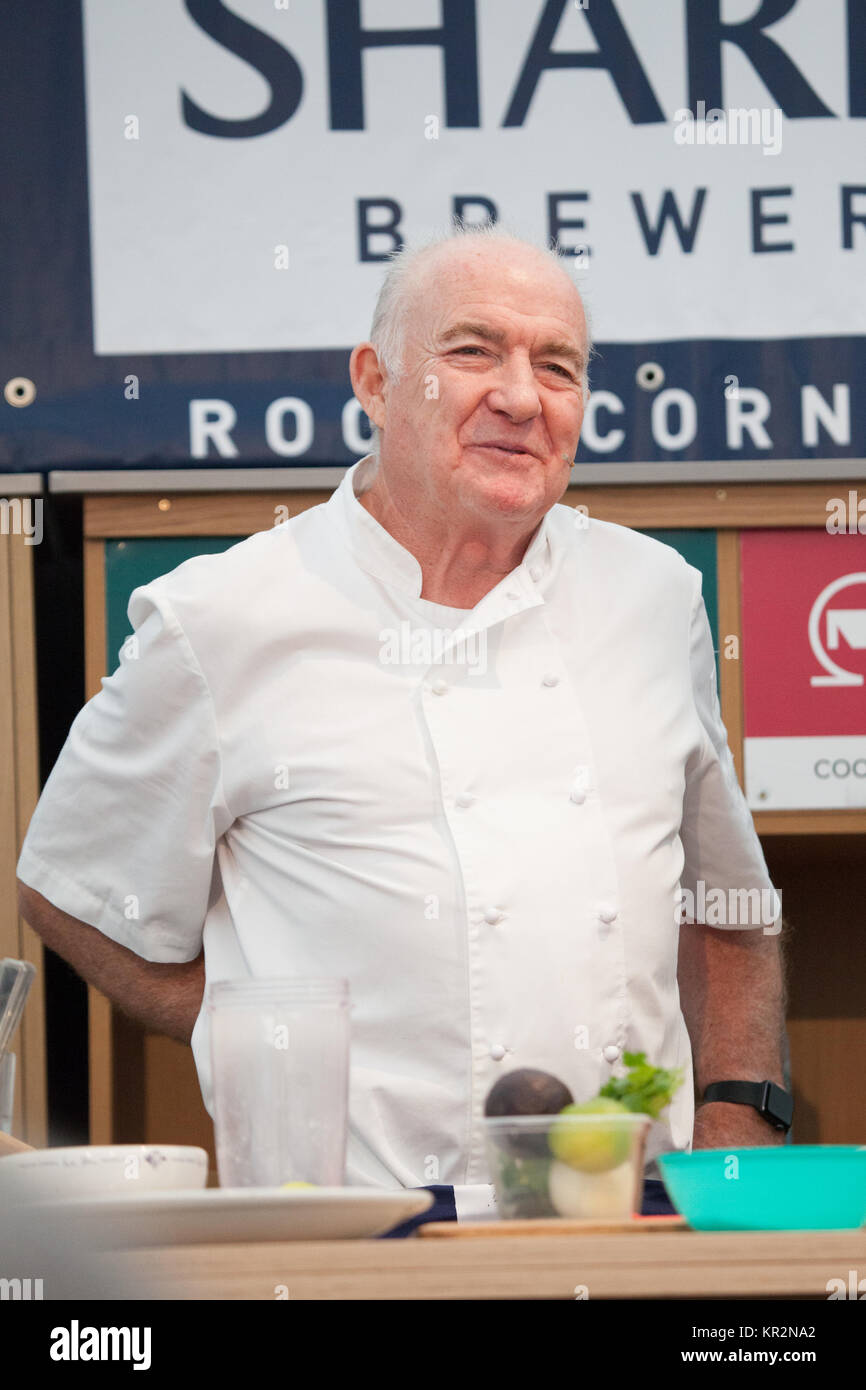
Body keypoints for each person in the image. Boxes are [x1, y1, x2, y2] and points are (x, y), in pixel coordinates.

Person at [17, 224, 788, 1227]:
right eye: (472, 351)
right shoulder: (222, 617)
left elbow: (725, 896)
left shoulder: (652, 598)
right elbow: (68, 887)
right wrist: (241, 1025)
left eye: (556, 366)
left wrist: (737, 1120)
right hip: (353, 1236)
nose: (519, 396)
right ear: (376, 382)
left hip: (629, 1222)